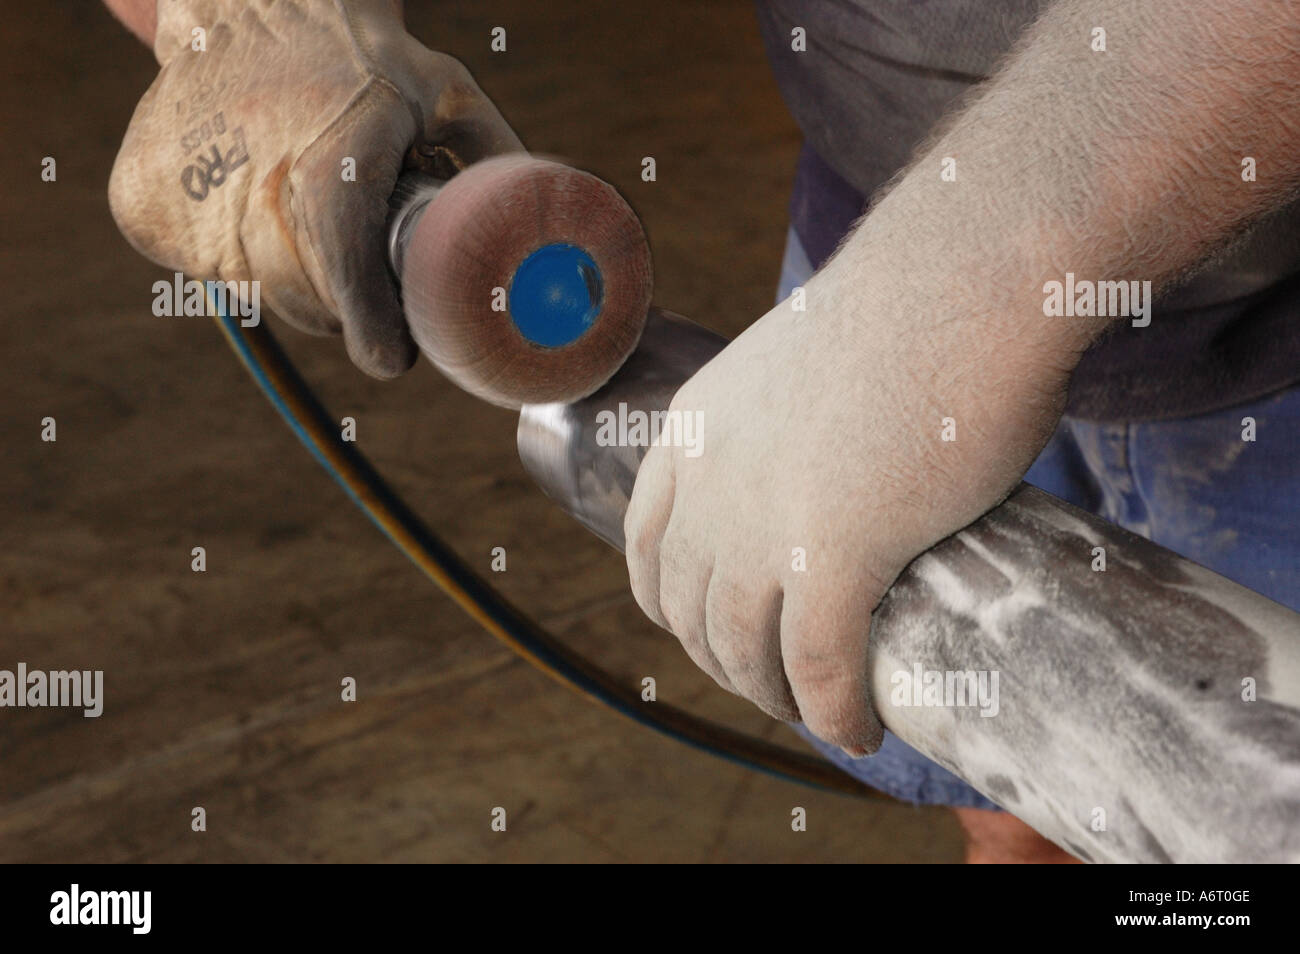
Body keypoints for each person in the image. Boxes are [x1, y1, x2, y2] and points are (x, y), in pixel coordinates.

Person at [104, 0, 1300, 863]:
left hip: (1231, 317)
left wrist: (964, 288)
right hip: (874, 232)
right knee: (988, 751)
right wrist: (254, 20)